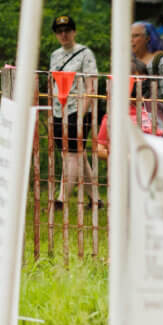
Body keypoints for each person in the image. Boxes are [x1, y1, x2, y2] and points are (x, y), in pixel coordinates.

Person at [48, 14, 102, 210]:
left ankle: (61, 200)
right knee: (77, 155)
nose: (64, 35)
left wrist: (81, 115)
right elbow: (52, 84)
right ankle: (96, 200)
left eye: (67, 31)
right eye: (60, 32)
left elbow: (91, 86)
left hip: (77, 110)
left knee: (71, 155)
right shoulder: (55, 55)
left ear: (74, 32)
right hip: (57, 110)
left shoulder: (85, 53)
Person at [93, 58, 163, 159]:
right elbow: (99, 149)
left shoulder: (152, 109)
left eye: (143, 78)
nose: (139, 82)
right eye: (135, 78)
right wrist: (123, 159)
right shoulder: (114, 116)